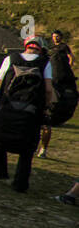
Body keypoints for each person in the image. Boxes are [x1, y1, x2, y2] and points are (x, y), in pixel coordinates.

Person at [0, 37, 53, 192]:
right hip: (31, 111)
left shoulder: (10, 59)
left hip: (7, 108)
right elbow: (49, 89)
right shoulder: (45, 62)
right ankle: (20, 183)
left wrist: (1, 101)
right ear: (41, 49)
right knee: (28, 147)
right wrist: (46, 107)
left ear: (26, 47)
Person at [39, 30, 78, 158]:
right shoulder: (51, 49)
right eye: (53, 37)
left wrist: (69, 66)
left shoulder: (63, 47)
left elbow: (71, 57)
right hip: (53, 75)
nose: (55, 39)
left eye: (57, 37)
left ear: (60, 37)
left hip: (62, 74)